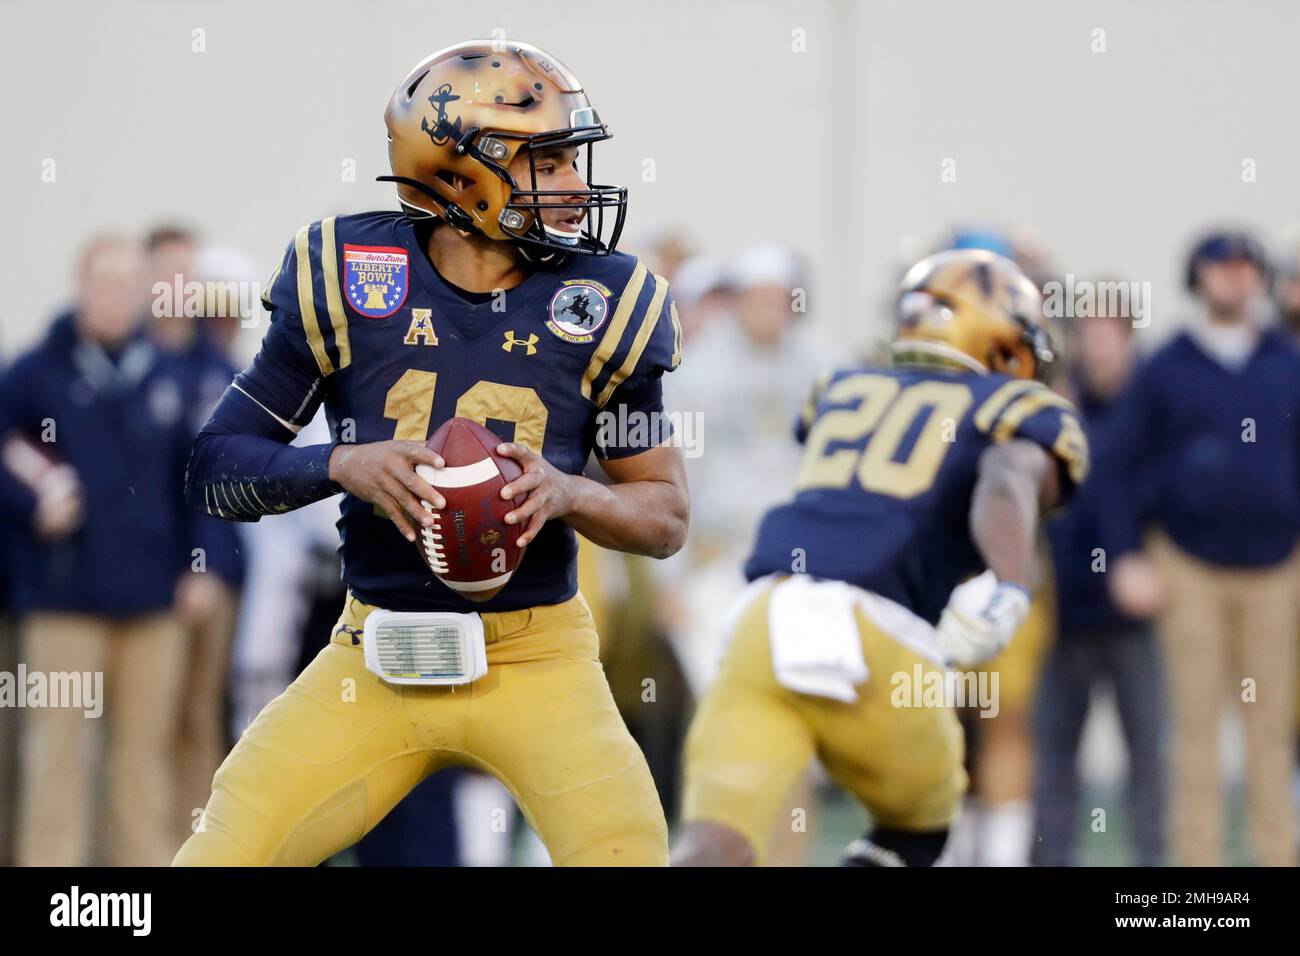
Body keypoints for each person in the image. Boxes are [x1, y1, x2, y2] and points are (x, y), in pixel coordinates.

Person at [172, 39, 688, 867]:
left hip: (537, 653)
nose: (575, 186)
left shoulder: (606, 301)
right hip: (374, 654)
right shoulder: (348, 273)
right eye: (547, 163)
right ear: (458, 169)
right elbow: (216, 468)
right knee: (221, 856)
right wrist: (340, 464)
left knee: (628, 853)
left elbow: (664, 518)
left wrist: (570, 492)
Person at [672, 248, 1088, 866]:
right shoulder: (1012, 407)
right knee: (917, 829)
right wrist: (1009, 584)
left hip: (766, 611)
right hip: (879, 629)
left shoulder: (841, 385)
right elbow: (1005, 476)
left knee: (716, 840)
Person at [1098, 230, 1300, 867]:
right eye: (1222, 268)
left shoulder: (1284, 362)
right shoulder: (1166, 368)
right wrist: (1125, 554)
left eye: (1245, 268)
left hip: (1275, 566)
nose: (1235, 279)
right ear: (1198, 276)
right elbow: (1116, 468)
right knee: (1194, 730)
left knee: (1270, 728)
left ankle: (1276, 857)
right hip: (1189, 564)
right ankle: (1198, 876)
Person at [0, 236, 201, 865]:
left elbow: (197, 482)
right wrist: (37, 502)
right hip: (63, 603)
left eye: (127, 285)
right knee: (56, 752)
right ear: (80, 287)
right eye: (104, 283)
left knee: (144, 756)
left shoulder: (171, 379)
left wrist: (205, 568)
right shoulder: (34, 374)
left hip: (154, 603)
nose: (116, 298)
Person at [1032, 299, 1165, 867]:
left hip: (1134, 613)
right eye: (1091, 331)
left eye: (1111, 331)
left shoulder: (1151, 407)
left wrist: (1138, 557)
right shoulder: (1057, 405)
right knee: (1055, 752)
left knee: (1148, 751)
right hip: (1066, 609)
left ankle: (1154, 876)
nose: (1101, 342)